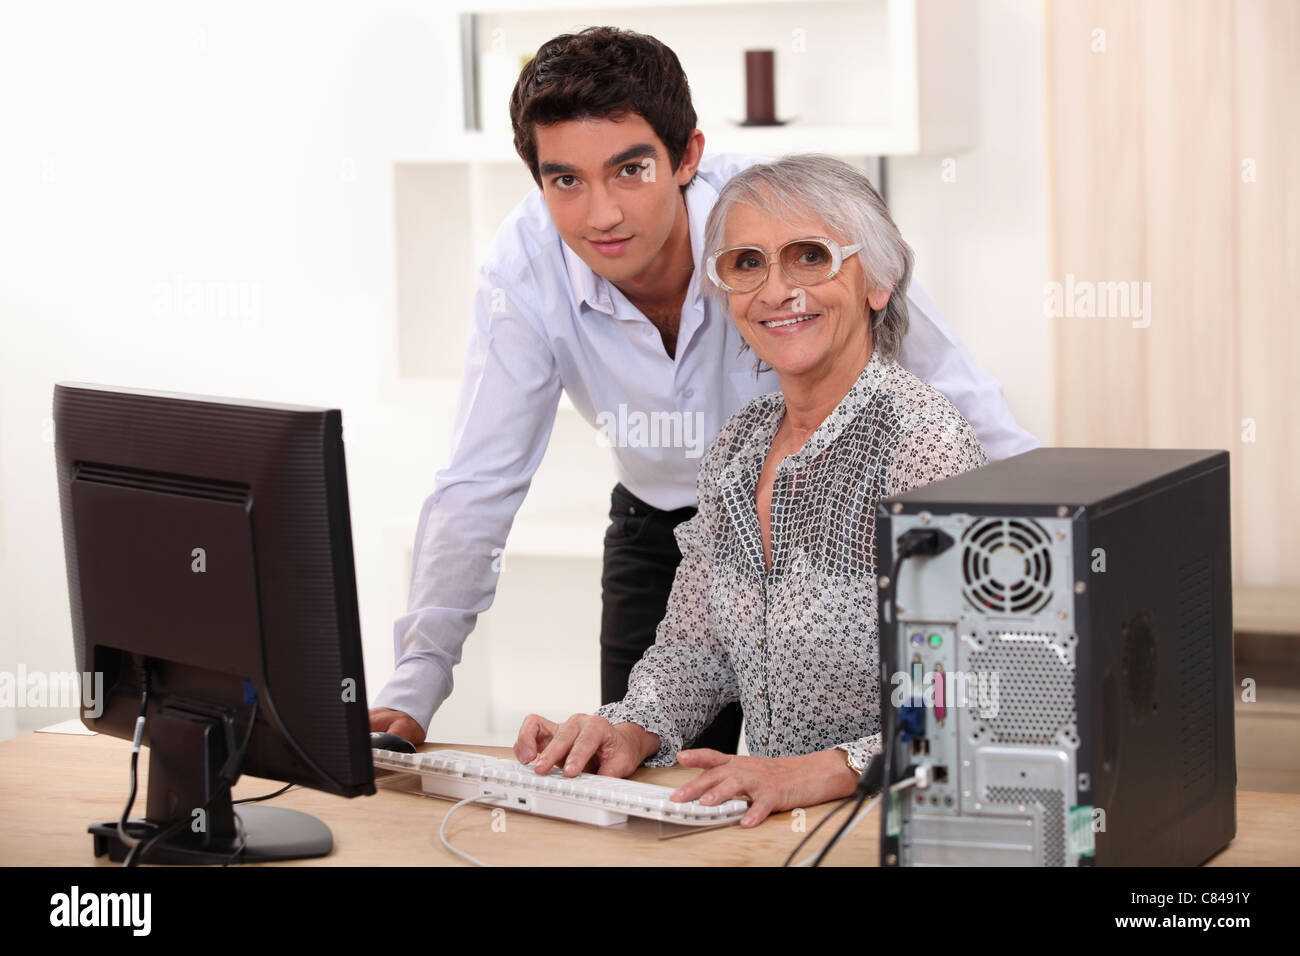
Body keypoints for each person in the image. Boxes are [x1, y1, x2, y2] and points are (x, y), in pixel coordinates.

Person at [369, 27, 1035, 749]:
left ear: (687, 156)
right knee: (639, 777)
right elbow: (478, 482)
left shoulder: (772, 219)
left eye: (630, 170)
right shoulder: (525, 269)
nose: (601, 214)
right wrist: (413, 691)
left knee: (846, 750)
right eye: (566, 180)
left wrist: (1061, 551)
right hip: (667, 522)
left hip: (826, 514)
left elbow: (959, 396)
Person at [514, 154, 987, 827]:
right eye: (746, 264)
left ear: (877, 282)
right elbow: (695, 649)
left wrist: (822, 771)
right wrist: (628, 728)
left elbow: (969, 696)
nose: (776, 290)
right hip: (767, 830)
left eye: (809, 257)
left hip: (898, 826)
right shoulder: (740, 445)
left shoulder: (922, 445)